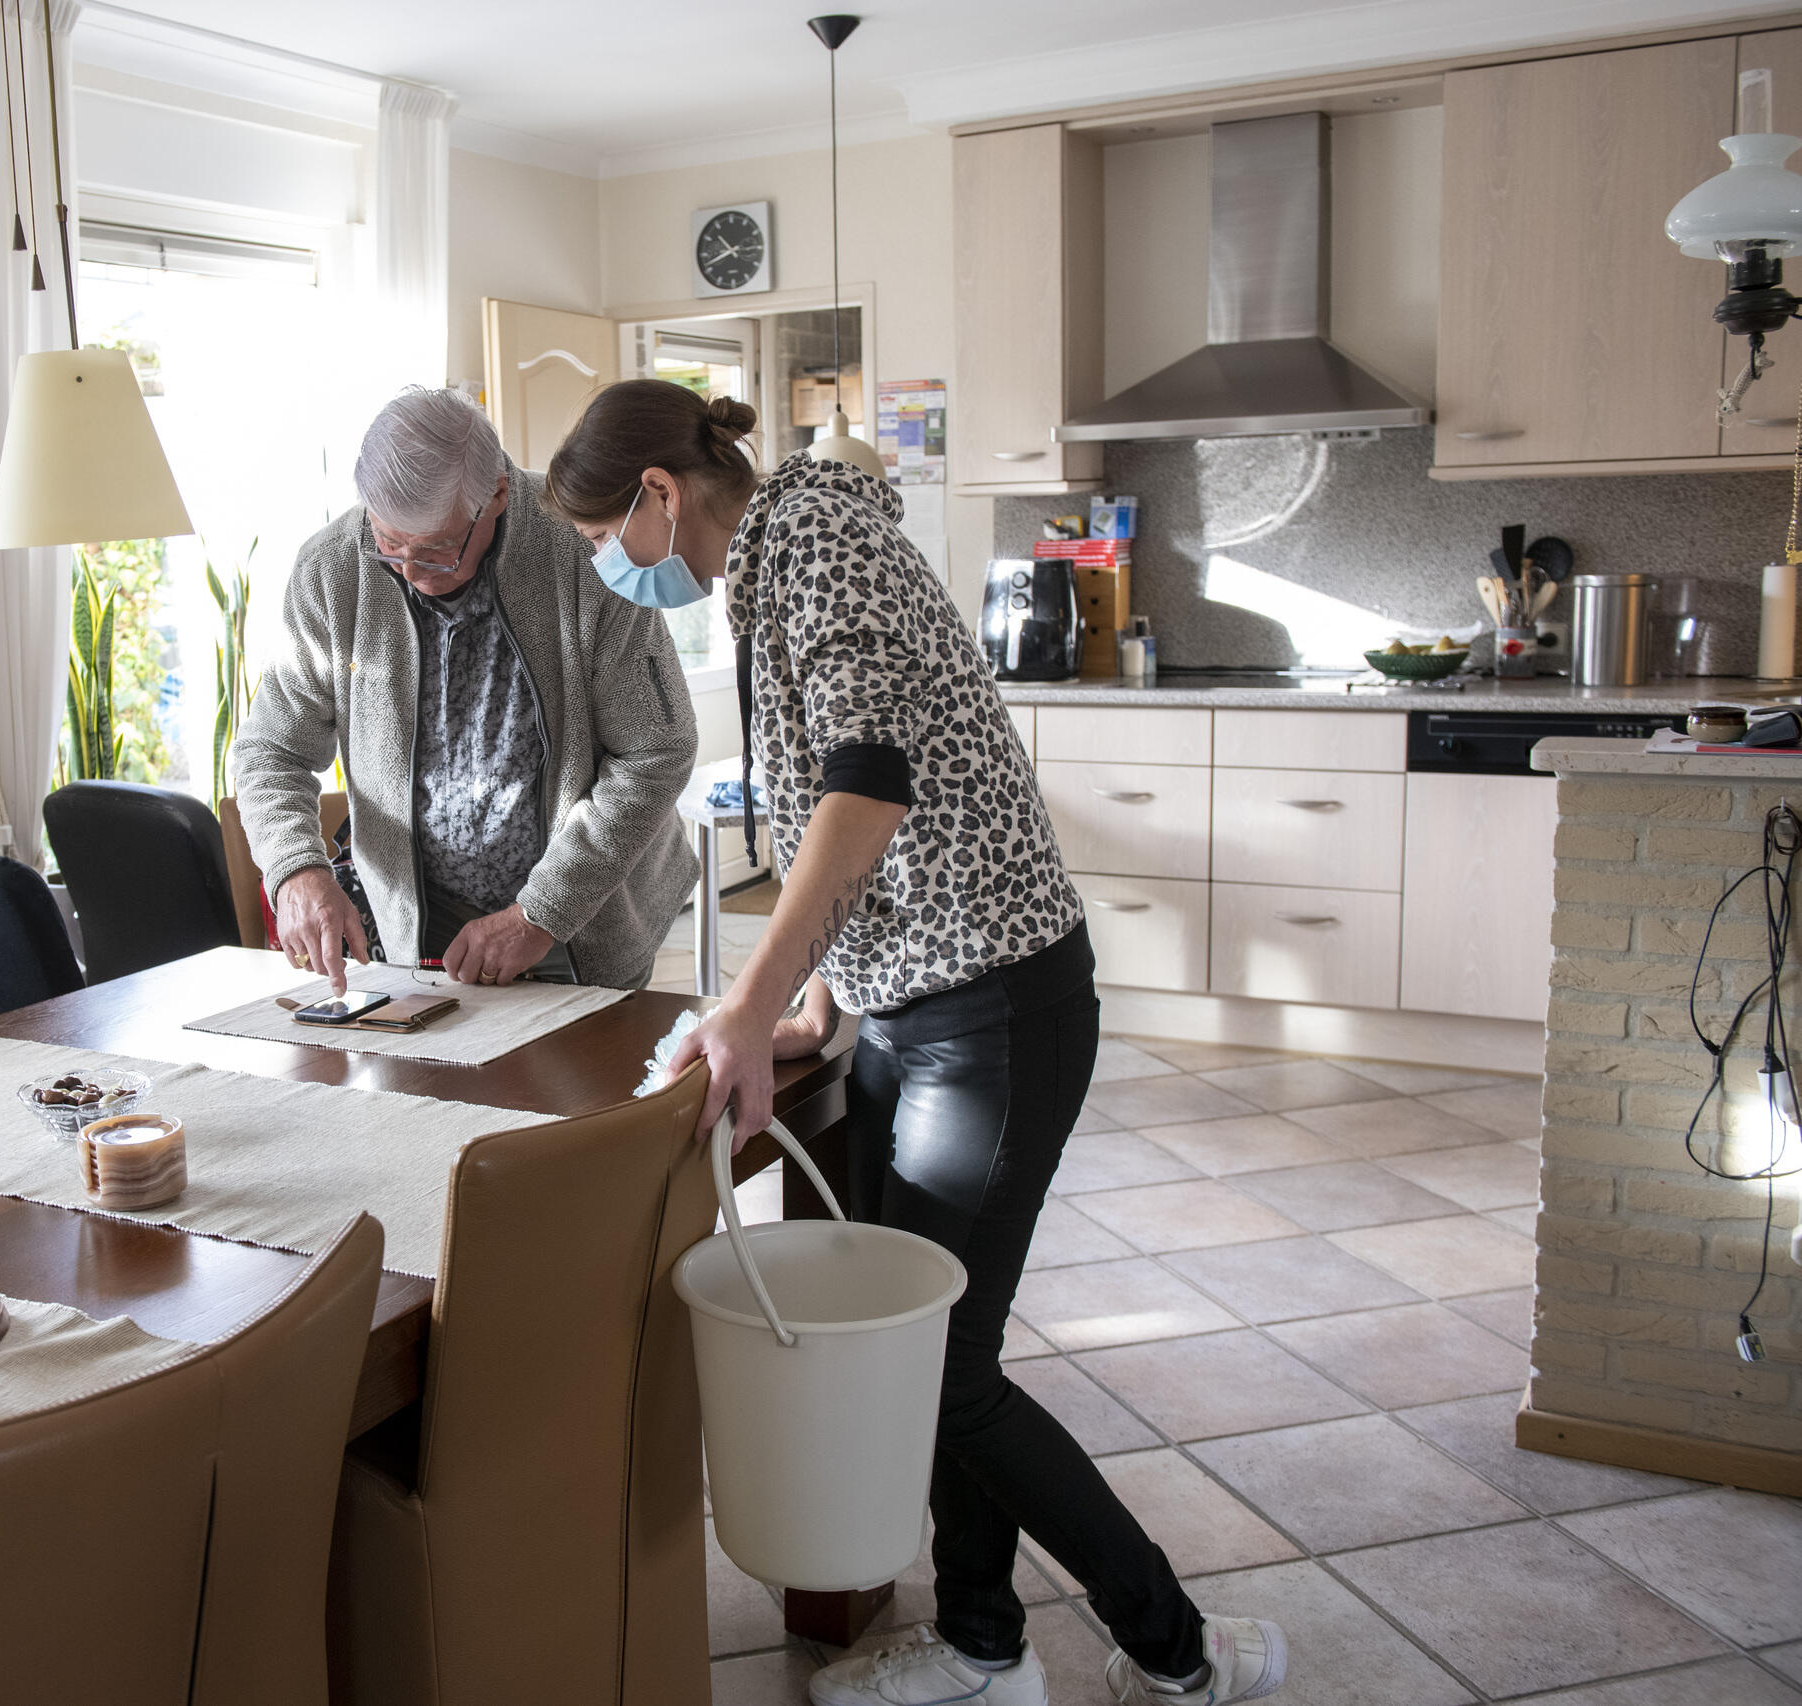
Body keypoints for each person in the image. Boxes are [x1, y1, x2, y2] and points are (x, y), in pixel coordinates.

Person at [541, 381, 1286, 1706]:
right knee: (924, 1356)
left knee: (941, 1367)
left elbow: (867, 783)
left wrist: (753, 1005)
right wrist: (828, 992)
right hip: (917, 1001)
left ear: (657, 494)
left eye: (605, 532)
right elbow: (847, 809)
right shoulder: (771, 566)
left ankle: (1180, 1647)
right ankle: (987, 1647)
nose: (610, 566)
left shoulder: (819, 536)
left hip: (993, 1008)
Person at [230, 387, 699, 992]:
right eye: (390, 547)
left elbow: (657, 751)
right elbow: (271, 752)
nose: (413, 573)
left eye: (438, 550)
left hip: (580, 919)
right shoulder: (332, 570)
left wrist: (541, 913)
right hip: (416, 925)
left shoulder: (587, 549)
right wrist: (296, 869)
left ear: (498, 492)